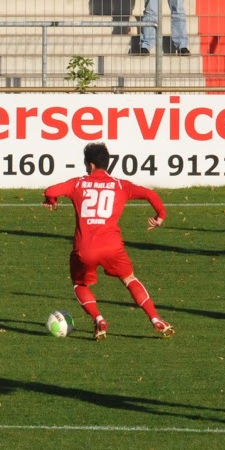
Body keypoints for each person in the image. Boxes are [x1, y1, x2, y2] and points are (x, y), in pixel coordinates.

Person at [43, 142, 174, 340]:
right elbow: (150, 194)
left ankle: (99, 319)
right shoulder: (121, 185)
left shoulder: (78, 183)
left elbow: (51, 190)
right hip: (113, 247)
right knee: (129, 279)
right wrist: (160, 215)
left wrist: (51, 201)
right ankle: (156, 319)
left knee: (80, 284)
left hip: (85, 249)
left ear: (91, 165)